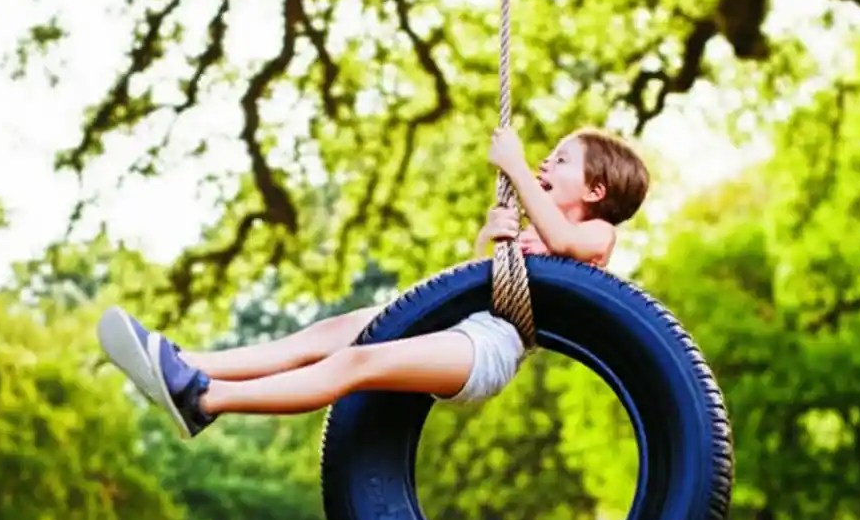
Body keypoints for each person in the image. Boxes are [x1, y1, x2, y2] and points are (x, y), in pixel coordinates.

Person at [97, 125, 650, 438]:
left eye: (559, 161)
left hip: (486, 350)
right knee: (324, 334)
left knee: (353, 364)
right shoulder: (536, 229)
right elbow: (475, 282)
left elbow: (561, 241)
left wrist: (515, 167)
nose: (545, 167)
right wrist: (492, 236)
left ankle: (208, 399)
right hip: (458, 321)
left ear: (596, 191)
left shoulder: (596, 237)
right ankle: (186, 362)